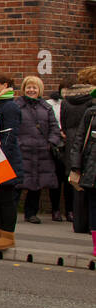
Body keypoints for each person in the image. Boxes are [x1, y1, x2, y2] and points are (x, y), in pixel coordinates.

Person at [15, 75, 63, 223]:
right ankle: (12, 212)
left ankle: (31, 213)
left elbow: (55, 128)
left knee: (36, 184)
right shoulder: (17, 106)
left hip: (42, 151)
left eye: (34, 87)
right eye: (28, 87)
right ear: (24, 89)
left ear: (39, 89)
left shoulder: (46, 107)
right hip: (22, 151)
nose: (31, 90)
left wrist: (50, 143)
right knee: (17, 184)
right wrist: (18, 143)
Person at [0, 73, 23, 251]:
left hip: (4, 159)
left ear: (4, 85)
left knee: (7, 199)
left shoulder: (10, 107)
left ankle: (8, 234)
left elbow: (9, 135)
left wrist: (0, 158)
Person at [65, 65, 96, 257]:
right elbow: (79, 141)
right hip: (92, 168)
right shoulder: (91, 113)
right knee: (93, 207)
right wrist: (76, 167)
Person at [60, 72, 93, 220]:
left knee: (75, 181)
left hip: (73, 142)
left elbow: (64, 124)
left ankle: (72, 213)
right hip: (88, 147)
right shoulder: (90, 104)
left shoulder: (67, 101)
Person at [47, 80, 74, 221]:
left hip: (70, 147)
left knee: (69, 181)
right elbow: (50, 122)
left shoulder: (74, 104)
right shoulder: (51, 104)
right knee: (56, 181)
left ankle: (70, 210)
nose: (65, 93)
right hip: (56, 147)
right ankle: (55, 209)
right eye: (63, 90)